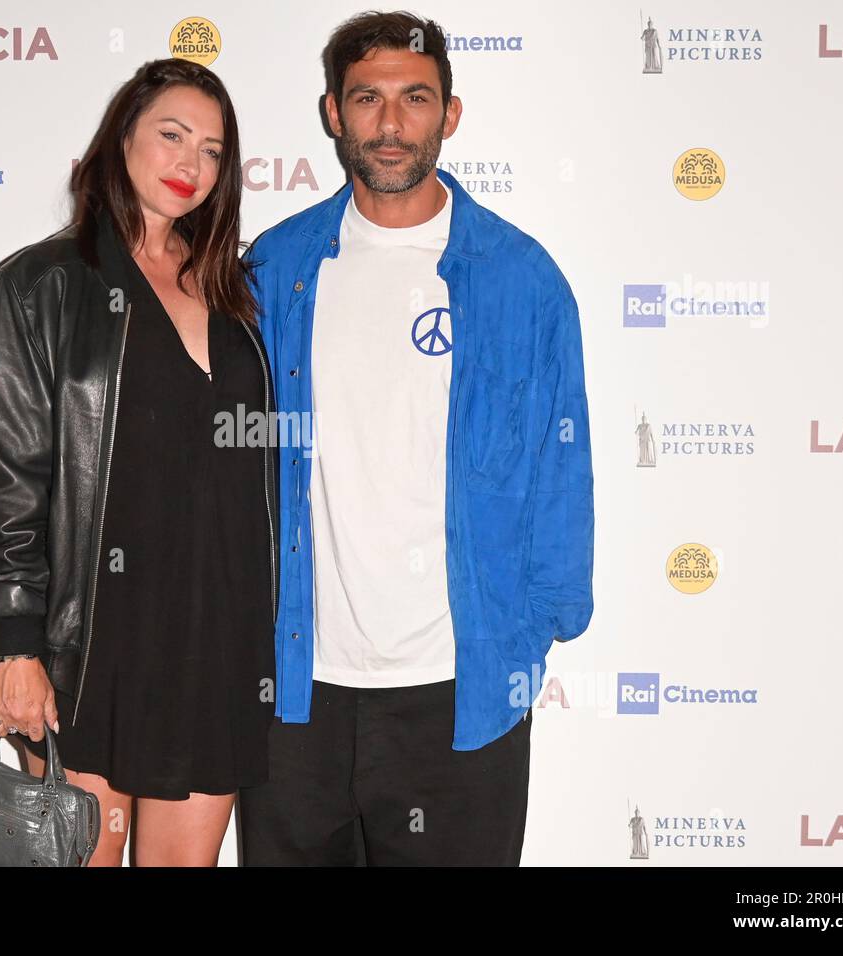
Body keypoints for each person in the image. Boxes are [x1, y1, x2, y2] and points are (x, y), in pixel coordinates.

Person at [238, 11, 594, 865]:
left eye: (414, 99)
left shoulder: (522, 279)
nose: (390, 125)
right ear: (333, 112)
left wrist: (531, 631)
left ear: (451, 114)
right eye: (368, 99)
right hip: (297, 693)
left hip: (460, 691)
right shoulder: (275, 268)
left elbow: (561, 463)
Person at [0, 57, 277, 867]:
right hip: (90, 650)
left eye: (211, 150)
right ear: (120, 139)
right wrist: (17, 646)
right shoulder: (40, 287)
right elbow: (4, 481)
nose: (190, 165)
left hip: (217, 643)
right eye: (172, 136)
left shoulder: (234, 293)